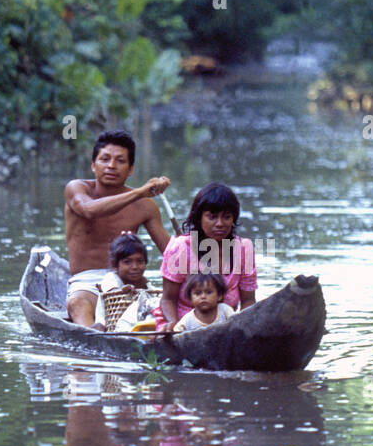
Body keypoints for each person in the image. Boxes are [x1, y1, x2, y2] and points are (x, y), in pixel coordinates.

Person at [64, 130, 171, 326]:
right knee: (77, 303)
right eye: (105, 159)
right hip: (87, 284)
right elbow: (89, 210)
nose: (111, 166)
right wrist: (140, 192)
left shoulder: (145, 205)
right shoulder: (76, 188)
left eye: (120, 161)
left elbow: (170, 252)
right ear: (93, 165)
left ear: (130, 170)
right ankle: (92, 337)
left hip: (129, 282)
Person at [157, 182, 257, 330]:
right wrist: (175, 328)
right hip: (184, 326)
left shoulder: (243, 249)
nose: (220, 224)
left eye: (227, 217)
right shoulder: (181, 247)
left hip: (225, 327)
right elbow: (168, 299)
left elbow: (248, 300)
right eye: (212, 217)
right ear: (199, 218)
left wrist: (241, 328)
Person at [93, 234, 159, 332]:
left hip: (138, 326)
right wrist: (123, 291)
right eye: (127, 262)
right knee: (99, 328)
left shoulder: (146, 285)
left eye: (140, 261)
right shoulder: (111, 278)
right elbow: (113, 292)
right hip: (109, 326)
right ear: (115, 264)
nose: (135, 267)